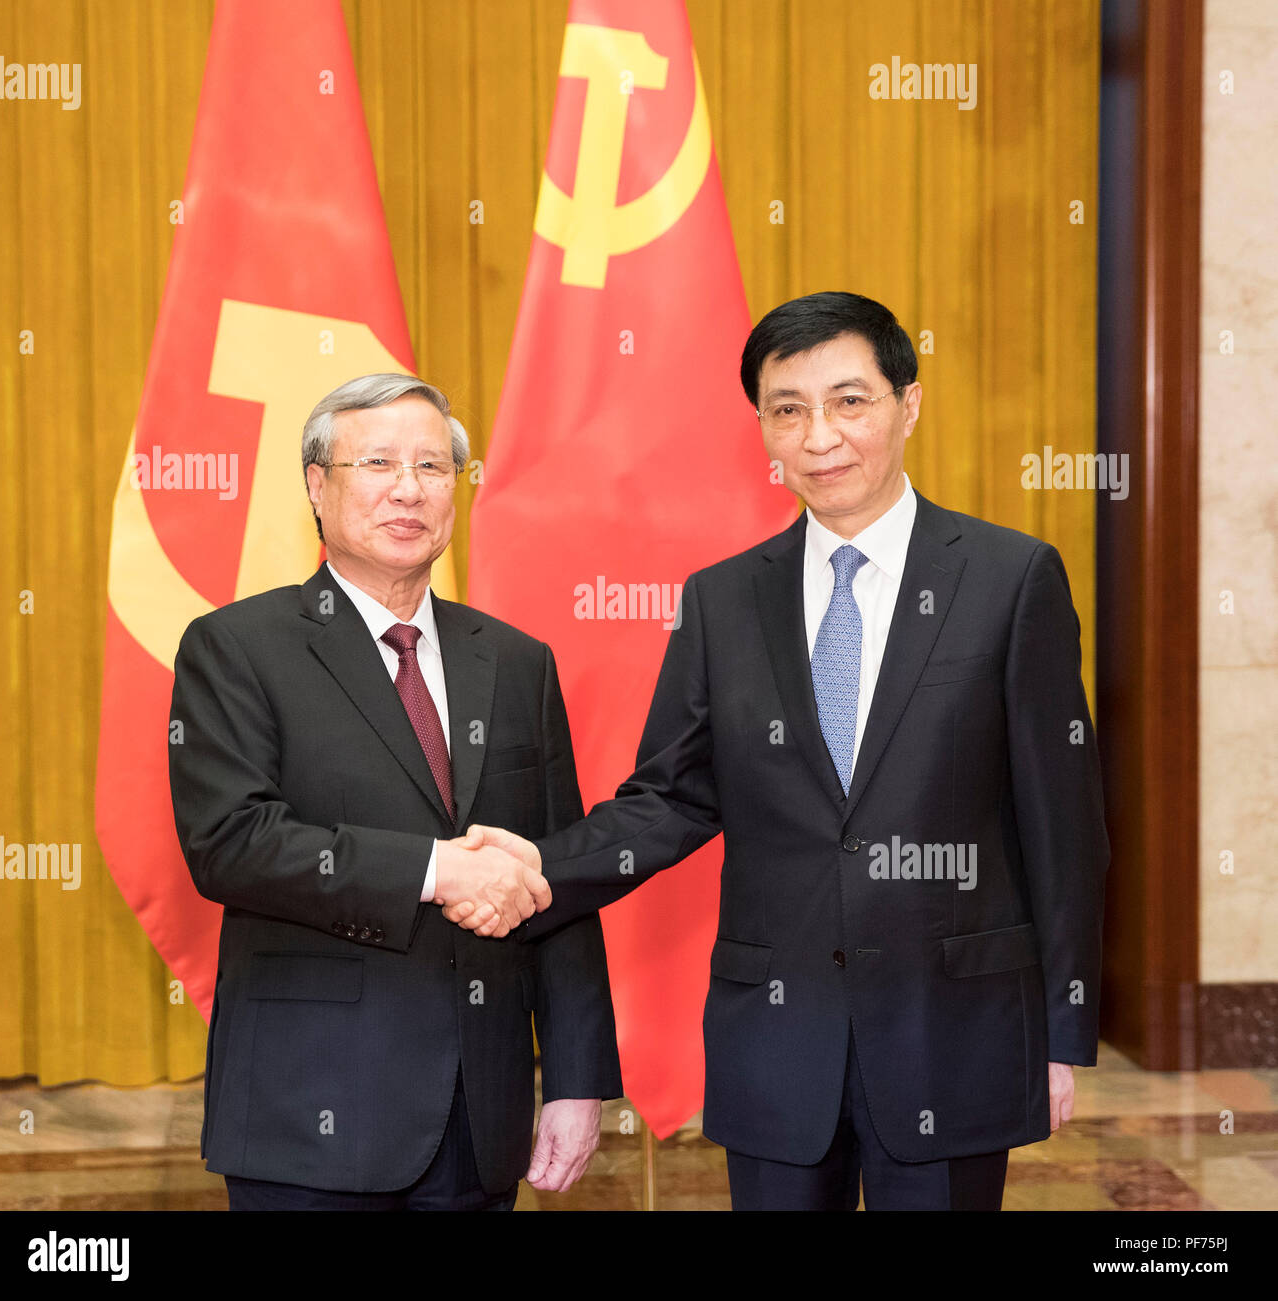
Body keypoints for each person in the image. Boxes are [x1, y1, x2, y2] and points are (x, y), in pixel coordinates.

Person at [446, 291, 1110, 1211]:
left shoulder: (1009, 578)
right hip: (777, 1040)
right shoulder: (723, 601)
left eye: (850, 400)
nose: (820, 436)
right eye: (788, 410)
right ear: (762, 429)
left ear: (907, 404)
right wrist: (540, 867)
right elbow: (670, 797)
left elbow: (1062, 821)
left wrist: (1063, 1032)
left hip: (954, 1030)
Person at [168, 373, 620, 1210]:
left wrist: (575, 1078)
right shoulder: (237, 647)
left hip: (479, 1119)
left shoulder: (517, 662)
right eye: (377, 462)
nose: (409, 488)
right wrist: (437, 870)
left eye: (433, 466)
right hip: (308, 1115)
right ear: (317, 484)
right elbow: (231, 843)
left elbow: (558, 876)